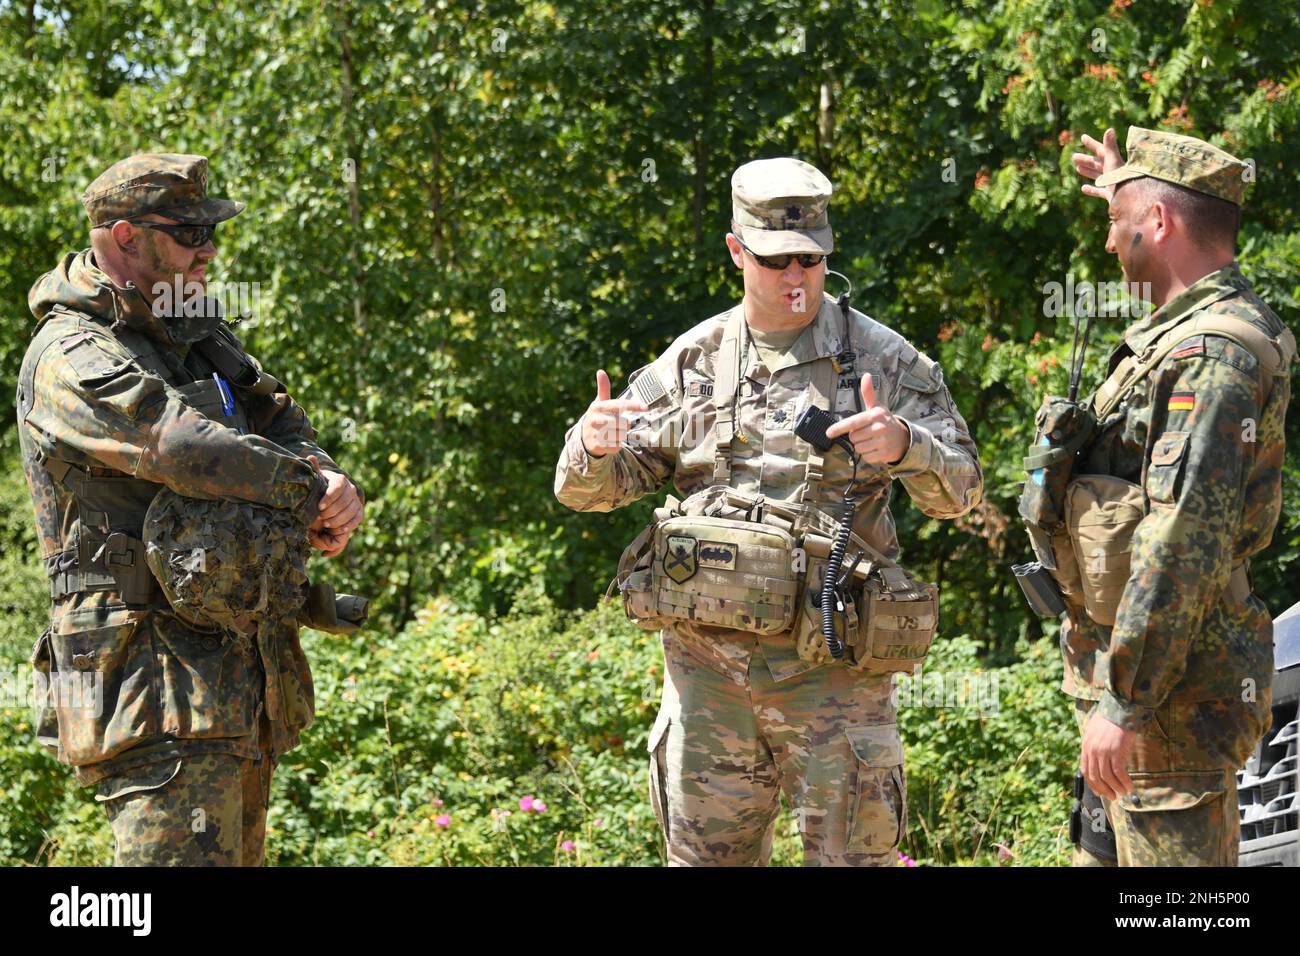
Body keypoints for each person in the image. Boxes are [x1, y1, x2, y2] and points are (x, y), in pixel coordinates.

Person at [554, 157, 982, 866]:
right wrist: (592, 446)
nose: (796, 278)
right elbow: (588, 491)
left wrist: (907, 446)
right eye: (776, 259)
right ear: (736, 251)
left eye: (812, 261)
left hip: (834, 684)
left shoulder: (881, 359)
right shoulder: (692, 362)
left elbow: (964, 493)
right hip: (708, 687)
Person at [16, 153, 365, 866]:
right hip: (150, 690)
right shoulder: (70, 352)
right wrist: (307, 492)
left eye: (211, 233)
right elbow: (175, 444)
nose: (208, 251)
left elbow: (276, 415)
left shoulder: (197, 333)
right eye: (187, 233)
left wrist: (329, 474)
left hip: (237, 676)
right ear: (122, 238)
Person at [1055, 126, 1295, 865]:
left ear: (1157, 224)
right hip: (1146, 695)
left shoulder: (1211, 356)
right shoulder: (1188, 334)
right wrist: (1128, 185)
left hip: (1170, 705)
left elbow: (1183, 537)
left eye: (1114, 223)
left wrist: (1126, 699)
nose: (1106, 244)